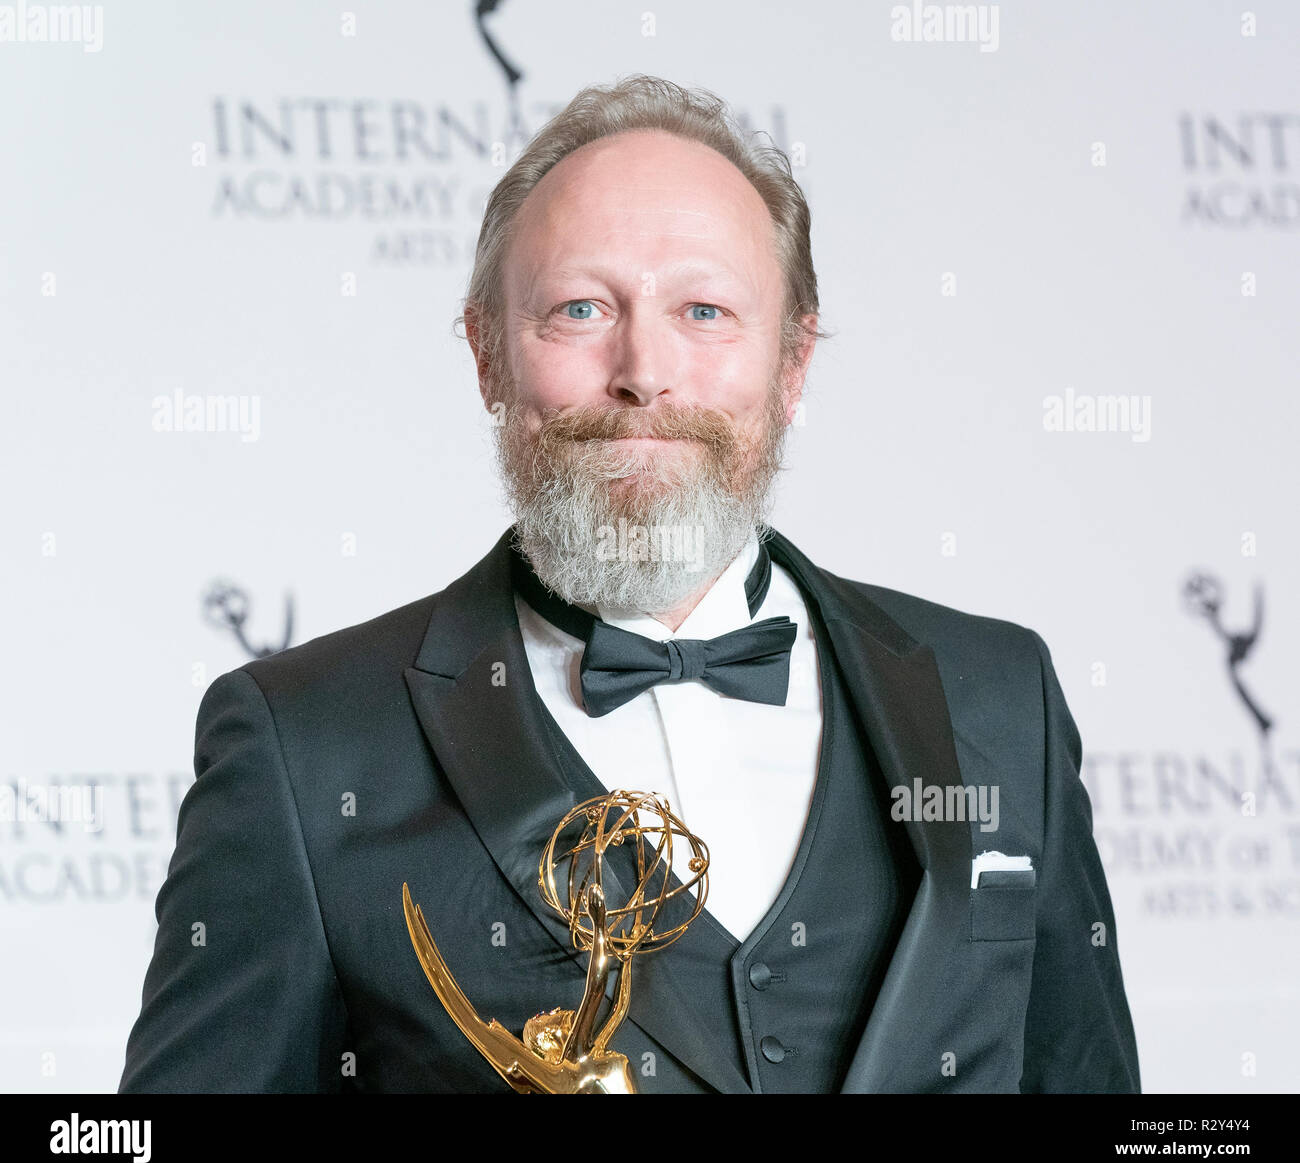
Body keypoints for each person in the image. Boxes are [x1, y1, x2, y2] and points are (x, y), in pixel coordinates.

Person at [119, 73, 1140, 1094]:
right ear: (486, 355)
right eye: (578, 308)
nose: (644, 370)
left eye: (704, 309)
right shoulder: (304, 745)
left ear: (792, 363)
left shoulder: (999, 696)